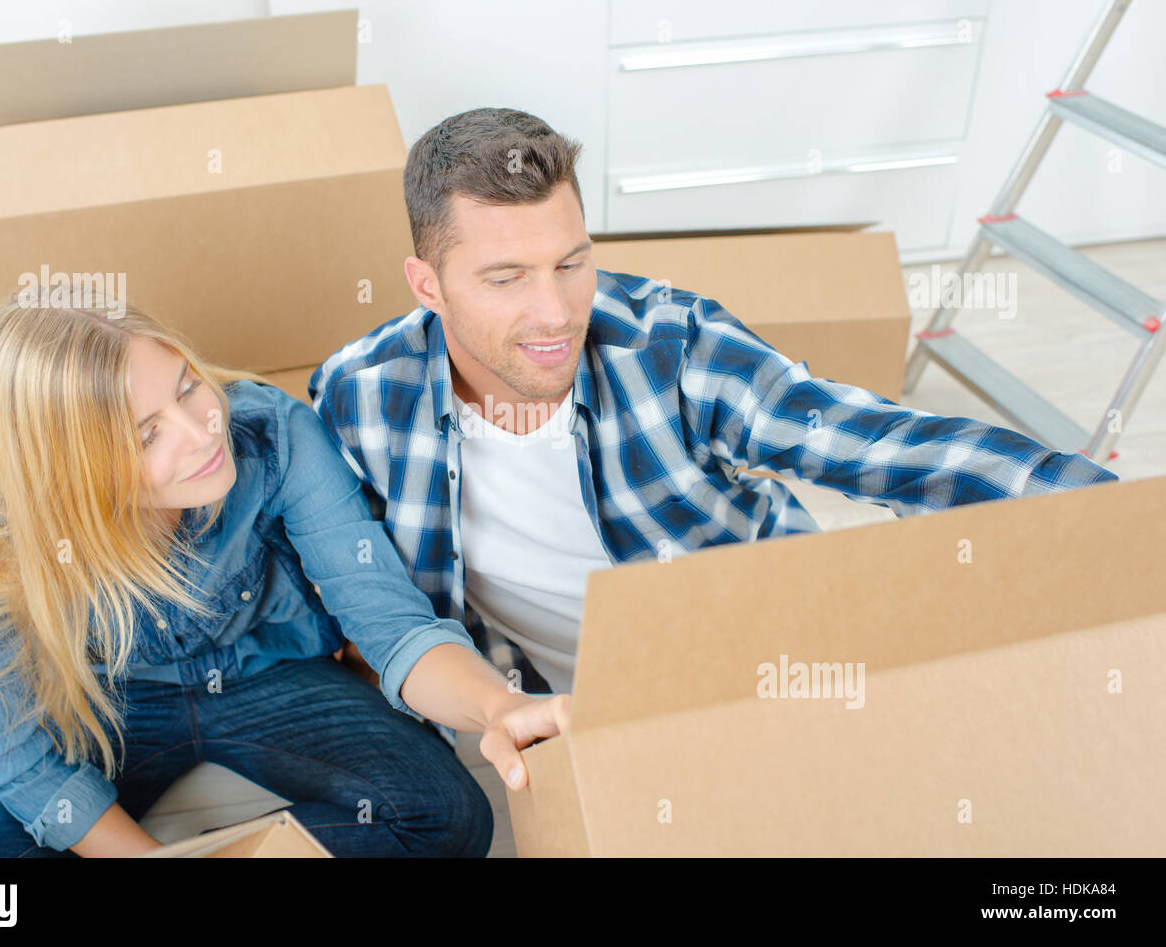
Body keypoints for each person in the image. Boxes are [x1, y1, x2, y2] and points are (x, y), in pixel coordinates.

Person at [308, 106, 1121, 698]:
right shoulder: (359, 397)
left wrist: (1116, 531)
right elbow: (353, 575)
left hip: (762, 668)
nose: (555, 312)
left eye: (570, 263)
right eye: (506, 278)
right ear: (428, 287)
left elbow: (885, 447)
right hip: (568, 708)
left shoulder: (676, 349)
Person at [0, 284, 568, 858]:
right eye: (147, 434)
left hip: (269, 673)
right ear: (72, 472)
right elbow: (24, 763)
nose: (201, 430)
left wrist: (496, 704)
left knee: (448, 814)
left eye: (189, 386)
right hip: (108, 704)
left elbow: (392, 626)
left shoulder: (274, 435)